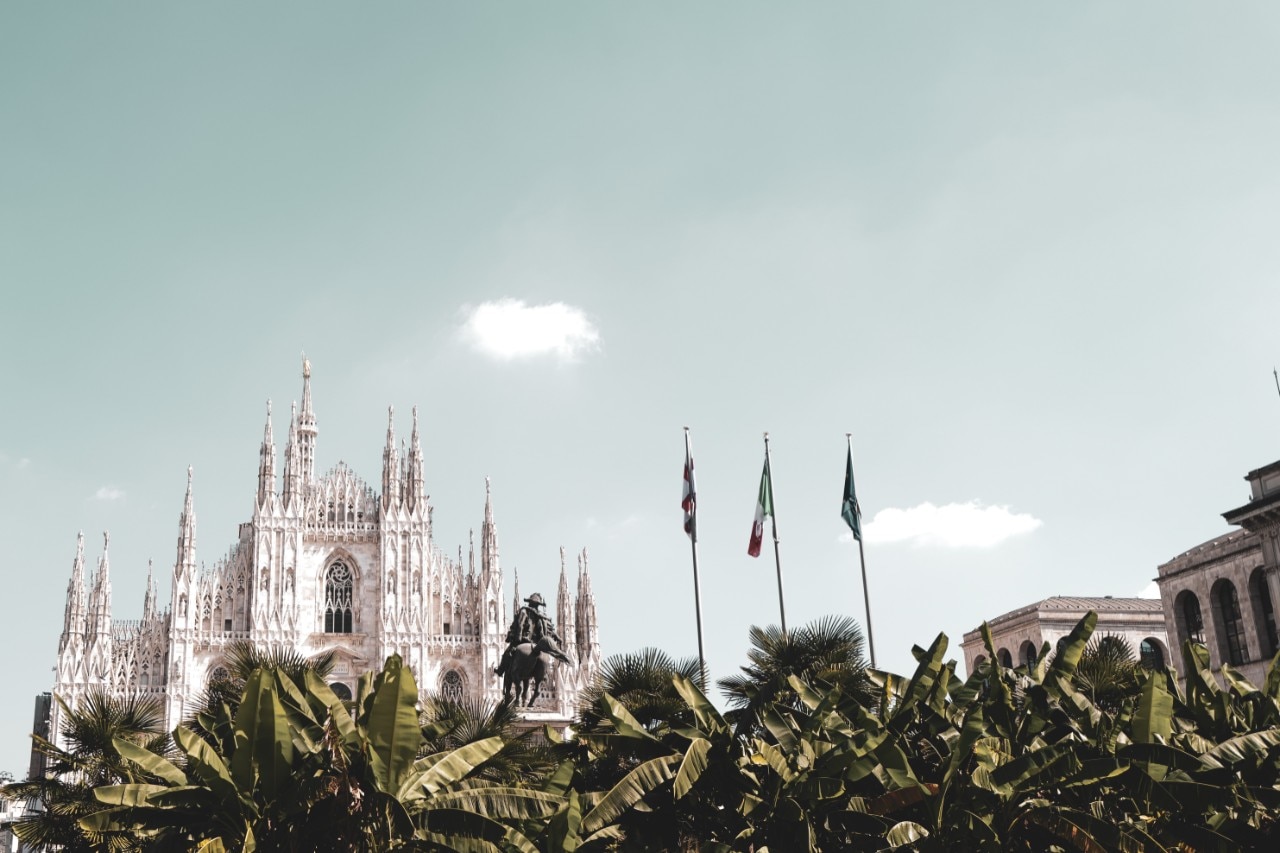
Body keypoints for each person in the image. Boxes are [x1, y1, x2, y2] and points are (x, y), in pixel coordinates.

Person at [495, 593, 571, 677]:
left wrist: (517, 639)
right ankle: (542, 677)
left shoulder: (524, 611)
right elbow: (550, 630)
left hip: (524, 640)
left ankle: (500, 670)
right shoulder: (541, 616)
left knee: (507, 653)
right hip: (537, 642)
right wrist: (558, 637)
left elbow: (520, 625)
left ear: (530, 602)